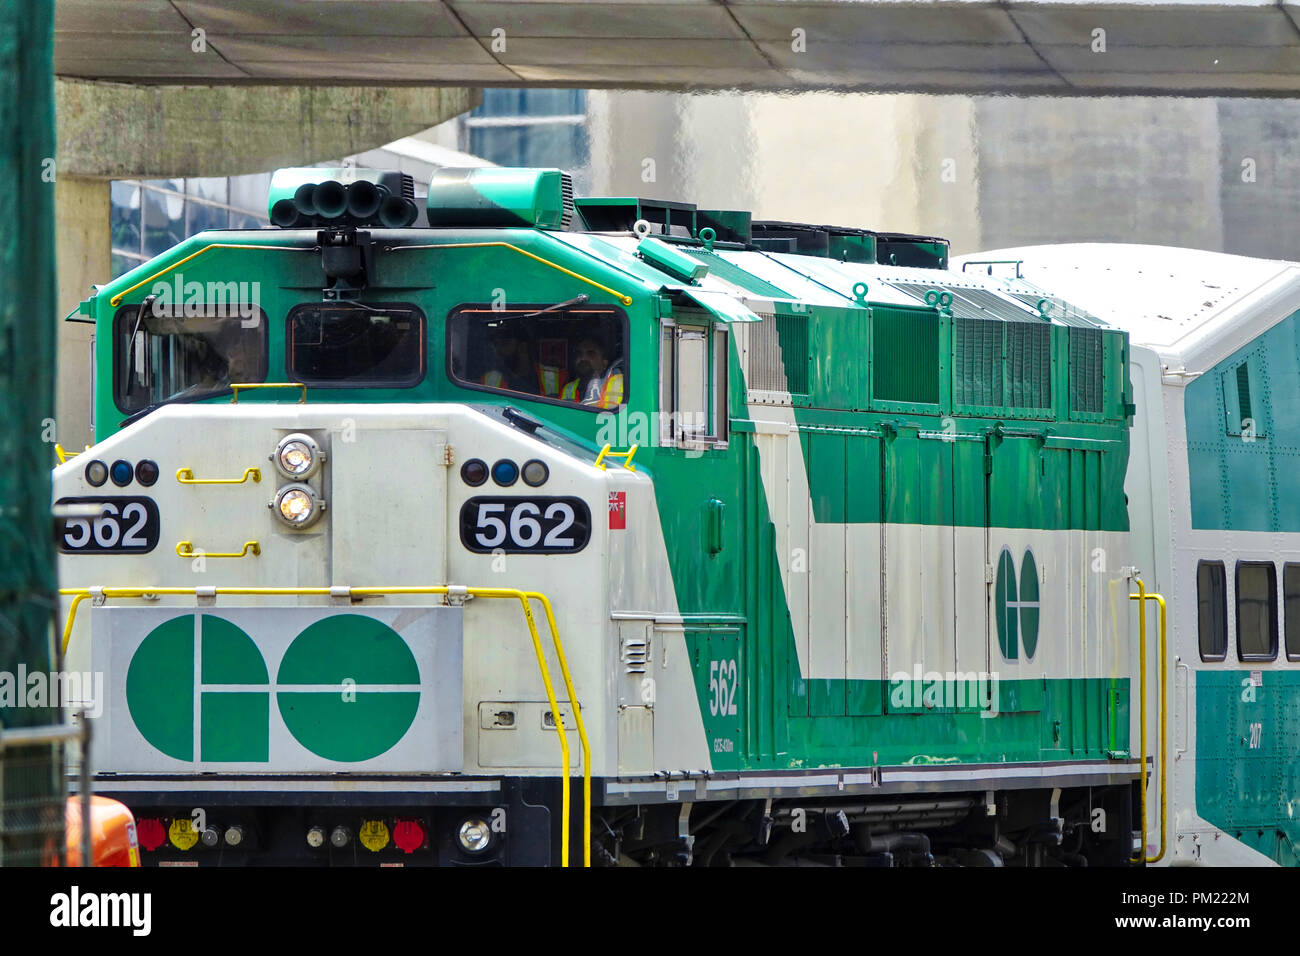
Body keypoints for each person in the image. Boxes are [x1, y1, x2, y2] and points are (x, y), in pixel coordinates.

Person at [481, 323, 568, 397]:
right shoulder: (489, 379)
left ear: (523, 347)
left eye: (505, 343)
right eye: (496, 344)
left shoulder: (557, 377)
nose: (498, 350)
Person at [560, 334, 624, 408]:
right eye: (579, 354)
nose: (583, 358)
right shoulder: (568, 388)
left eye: (591, 354)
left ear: (604, 363)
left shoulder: (618, 384)